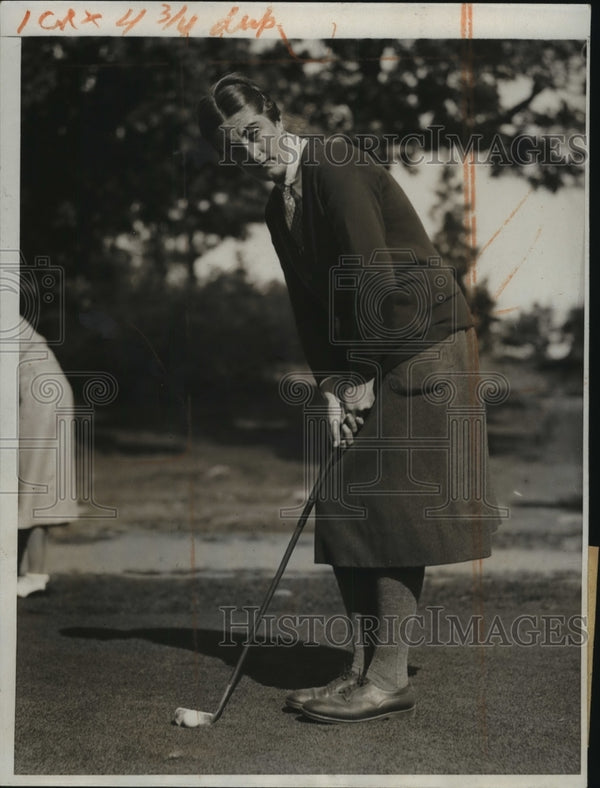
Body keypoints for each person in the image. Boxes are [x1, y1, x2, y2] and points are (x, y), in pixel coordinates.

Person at [198, 74, 501, 723]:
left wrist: (362, 370)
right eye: (233, 145)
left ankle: (388, 679)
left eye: (253, 133)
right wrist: (334, 387)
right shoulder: (278, 207)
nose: (250, 150)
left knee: (391, 507)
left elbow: (373, 276)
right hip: (374, 350)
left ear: (277, 117)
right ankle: (359, 671)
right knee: (344, 504)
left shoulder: (333, 165)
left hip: (421, 341)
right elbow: (310, 310)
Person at [17, 318, 79, 597]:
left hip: (39, 392)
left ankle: (34, 576)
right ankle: (22, 572)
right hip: (42, 390)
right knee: (29, 485)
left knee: (33, 485)